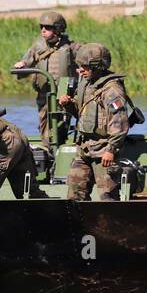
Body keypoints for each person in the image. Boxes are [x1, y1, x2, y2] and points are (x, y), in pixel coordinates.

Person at [57, 43, 133, 201]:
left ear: (98, 67)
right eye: (79, 66)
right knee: (74, 196)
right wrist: (69, 104)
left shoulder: (112, 90)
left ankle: (111, 225)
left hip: (103, 151)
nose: (80, 70)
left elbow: (119, 122)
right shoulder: (86, 83)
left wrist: (111, 149)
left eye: (85, 67)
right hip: (84, 150)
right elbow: (82, 111)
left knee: (107, 196)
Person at [11, 11, 78, 148]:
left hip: (64, 95)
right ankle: (48, 151)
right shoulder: (38, 46)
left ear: (58, 29)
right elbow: (27, 60)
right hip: (45, 95)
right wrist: (22, 65)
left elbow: (85, 58)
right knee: (45, 124)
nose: (43, 30)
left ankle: (59, 148)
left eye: (47, 28)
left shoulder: (70, 47)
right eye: (41, 27)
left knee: (62, 125)